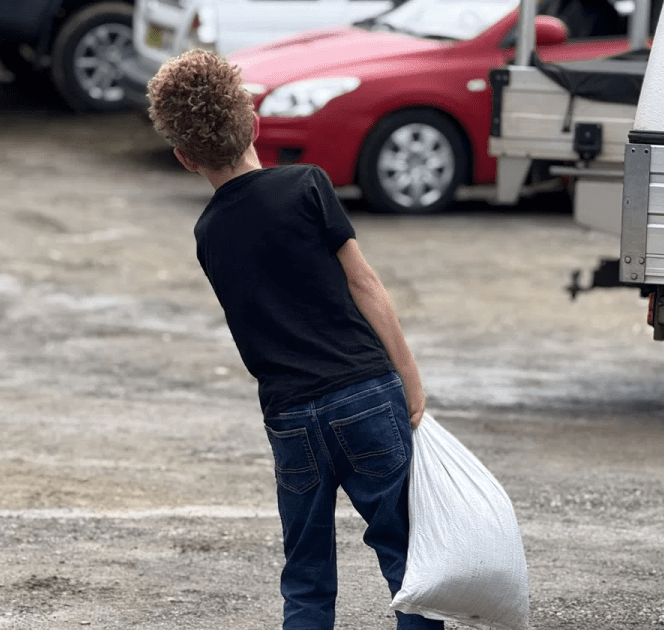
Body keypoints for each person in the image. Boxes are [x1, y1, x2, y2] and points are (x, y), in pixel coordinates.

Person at [146, 50, 442, 630]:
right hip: (363, 392)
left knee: (305, 579)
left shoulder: (208, 233)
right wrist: (408, 377)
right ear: (255, 122)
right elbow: (366, 284)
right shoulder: (307, 185)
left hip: (290, 417)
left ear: (184, 158)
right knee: (410, 562)